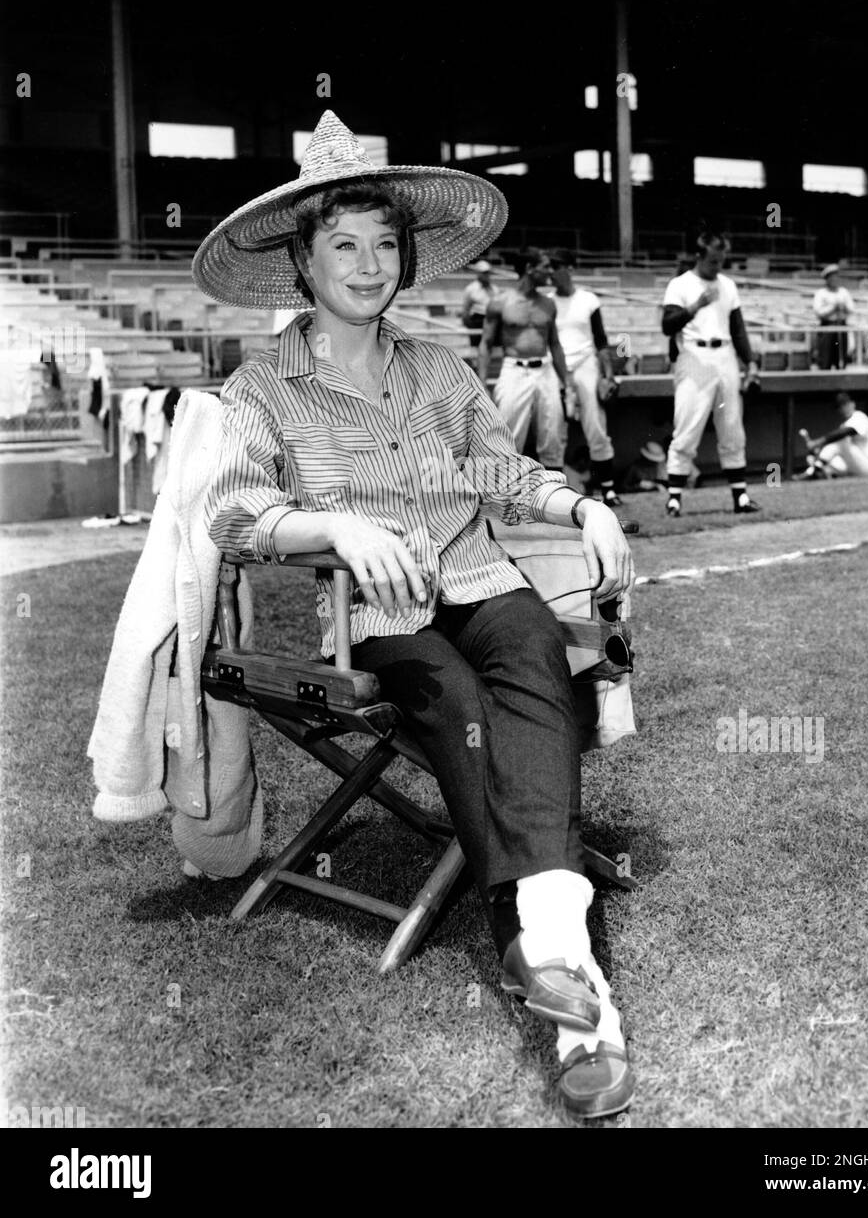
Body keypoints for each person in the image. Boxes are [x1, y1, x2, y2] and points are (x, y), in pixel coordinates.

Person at [194, 111, 636, 1118]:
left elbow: (499, 471)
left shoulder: (440, 367)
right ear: (301, 263)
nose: (365, 261)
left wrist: (576, 501)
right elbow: (230, 515)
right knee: (443, 689)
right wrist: (330, 529)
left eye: (382, 241)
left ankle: (544, 941)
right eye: (340, 243)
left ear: (405, 256)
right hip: (377, 615)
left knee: (528, 645)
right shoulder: (260, 386)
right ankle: (575, 1004)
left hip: (477, 576)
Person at [660, 230, 761, 517]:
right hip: (694, 355)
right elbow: (667, 325)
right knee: (687, 424)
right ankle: (674, 498)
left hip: (725, 354)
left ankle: (740, 497)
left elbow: (738, 328)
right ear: (699, 256)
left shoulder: (727, 285)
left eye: (721, 261)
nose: (718, 267)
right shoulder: (680, 284)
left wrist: (750, 362)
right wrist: (696, 306)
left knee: (731, 425)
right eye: (713, 261)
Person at [477, 248, 575, 470]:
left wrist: (567, 382)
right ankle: (505, 499)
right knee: (508, 435)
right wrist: (481, 382)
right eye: (546, 267)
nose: (550, 272)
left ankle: (554, 497)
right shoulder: (500, 302)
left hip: (545, 369)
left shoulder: (548, 304)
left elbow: (555, 344)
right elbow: (486, 343)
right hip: (514, 369)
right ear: (530, 269)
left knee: (553, 434)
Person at [547, 251, 621, 507]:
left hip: (585, 362)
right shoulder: (547, 301)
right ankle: (554, 493)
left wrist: (608, 375)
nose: (551, 272)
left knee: (595, 425)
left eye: (556, 266)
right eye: (549, 267)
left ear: (569, 268)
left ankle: (609, 490)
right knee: (554, 428)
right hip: (557, 364)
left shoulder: (588, 299)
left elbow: (601, 341)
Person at [798, 392, 868, 478]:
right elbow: (836, 446)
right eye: (840, 406)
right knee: (834, 459)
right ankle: (821, 470)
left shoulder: (860, 416)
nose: (844, 408)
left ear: (853, 404)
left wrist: (818, 442)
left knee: (841, 440)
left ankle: (813, 470)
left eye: (846, 404)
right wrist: (818, 450)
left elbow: (844, 433)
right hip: (856, 464)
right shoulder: (845, 424)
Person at [813, 264, 854, 371]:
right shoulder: (821, 293)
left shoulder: (843, 292)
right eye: (831, 277)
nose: (834, 279)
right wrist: (832, 308)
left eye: (836, 277)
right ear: (827, 279)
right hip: (827, 327)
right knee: (825, 358)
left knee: (841, 357)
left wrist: (843, 307)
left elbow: (851, 309)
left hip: (841, 326)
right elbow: (818, 312)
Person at [460, 259, 498, 347]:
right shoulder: (471, 289)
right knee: (477, 346)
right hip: (477, 321)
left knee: (493, 346)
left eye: (488, 272)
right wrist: (470, 325)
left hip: (492, 320)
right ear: (478, 273)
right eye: (484, 272)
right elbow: (465, 310)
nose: (487, 275)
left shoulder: (495, 289)